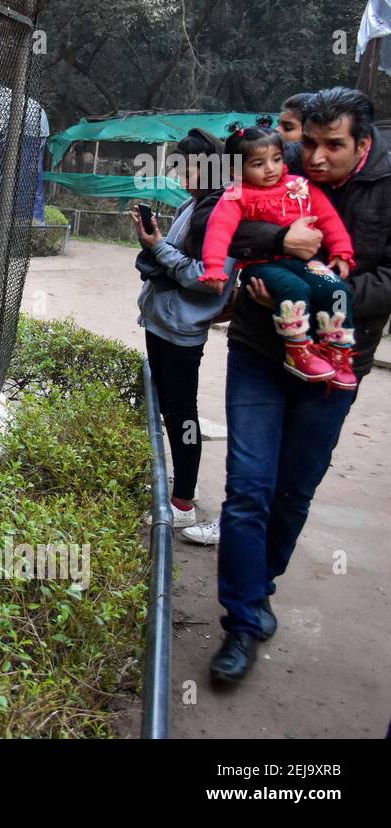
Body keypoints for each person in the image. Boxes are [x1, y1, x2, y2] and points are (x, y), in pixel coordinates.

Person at [208, 86, 391, 685]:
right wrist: (276, 246)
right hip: (260, 350)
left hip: (338, 363)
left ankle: (260, 588)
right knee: (248, 489)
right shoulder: (275, 161)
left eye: (331, 146)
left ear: (362, 144)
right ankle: (239, 620)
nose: (313, 158)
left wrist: (313, 295)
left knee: (292, 492)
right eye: (306, 143)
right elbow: (222, 221)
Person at [198, 126, 359, 391]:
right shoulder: (236, 196)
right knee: (295, 288)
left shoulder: (301, 186)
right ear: (235, 170)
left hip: (305, 263)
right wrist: (215, 269)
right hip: (263, 266)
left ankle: (337, 351)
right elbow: (218, 231)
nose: (270, 168)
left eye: (276, 159)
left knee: (335, 287)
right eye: (258, 164)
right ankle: (297, 349)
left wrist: (342, 252)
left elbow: (328, 220)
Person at [131, 129, 234, 529]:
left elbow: (207, 278)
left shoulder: (220, 211)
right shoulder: (197, 204)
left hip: (181, 330)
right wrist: (154, 242)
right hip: (163, 321)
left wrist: (157, 246)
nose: (180, 174)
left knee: (182, 414)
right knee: (169, 408)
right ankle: (177, 488)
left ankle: (183, 502)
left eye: (187, 167)